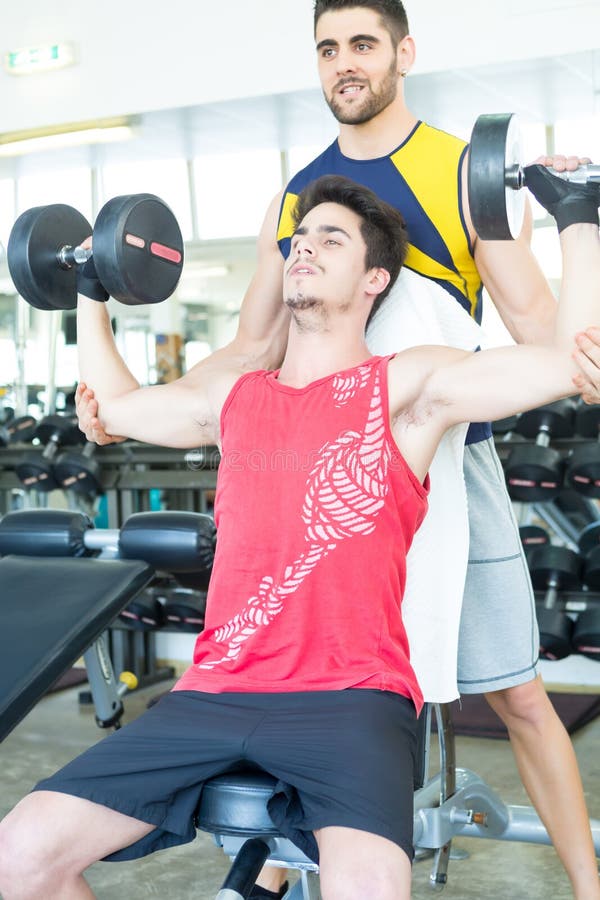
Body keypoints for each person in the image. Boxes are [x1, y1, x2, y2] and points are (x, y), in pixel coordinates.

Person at [74, 3, 600, 895]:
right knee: (313, 671)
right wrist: (131, 409)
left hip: (442, 439)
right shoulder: (296, 197)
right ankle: (281, 866)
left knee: (516, 693)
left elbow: (538, 323)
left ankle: (587, 882)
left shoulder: (459, 170)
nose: (344, 63)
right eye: (328, 48)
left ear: (404, 52)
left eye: (363, 44)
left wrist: (580, 347)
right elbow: (251, 348)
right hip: (320, 453)